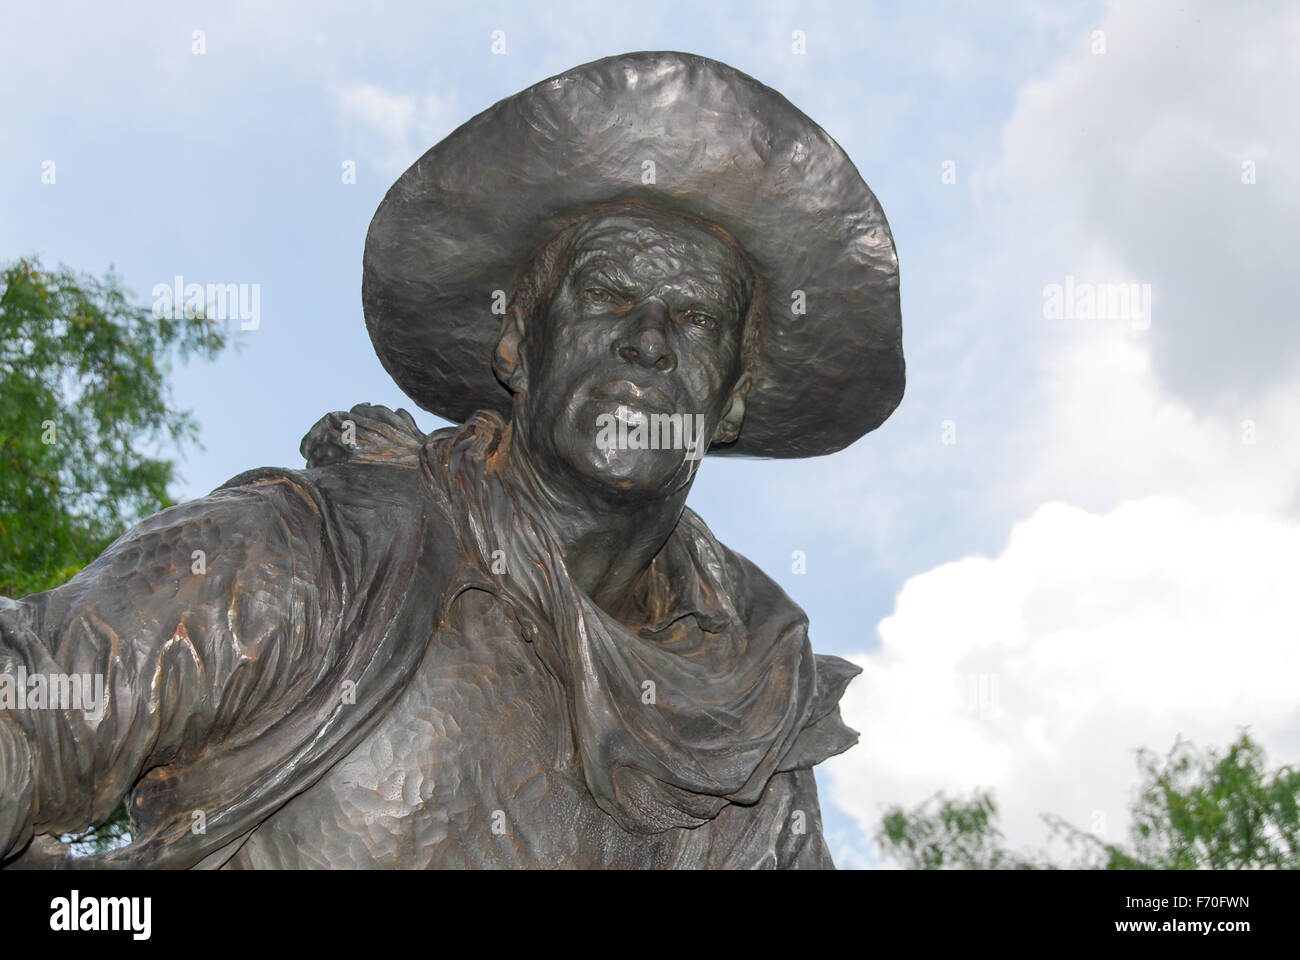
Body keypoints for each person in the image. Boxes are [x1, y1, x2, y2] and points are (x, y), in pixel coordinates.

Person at [0, 51, 903, 869]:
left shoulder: (752, 723)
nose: (649, 342)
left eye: (699, 320)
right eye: (607, 295)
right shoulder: (314, 554)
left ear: (731, 397)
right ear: (518, 341)